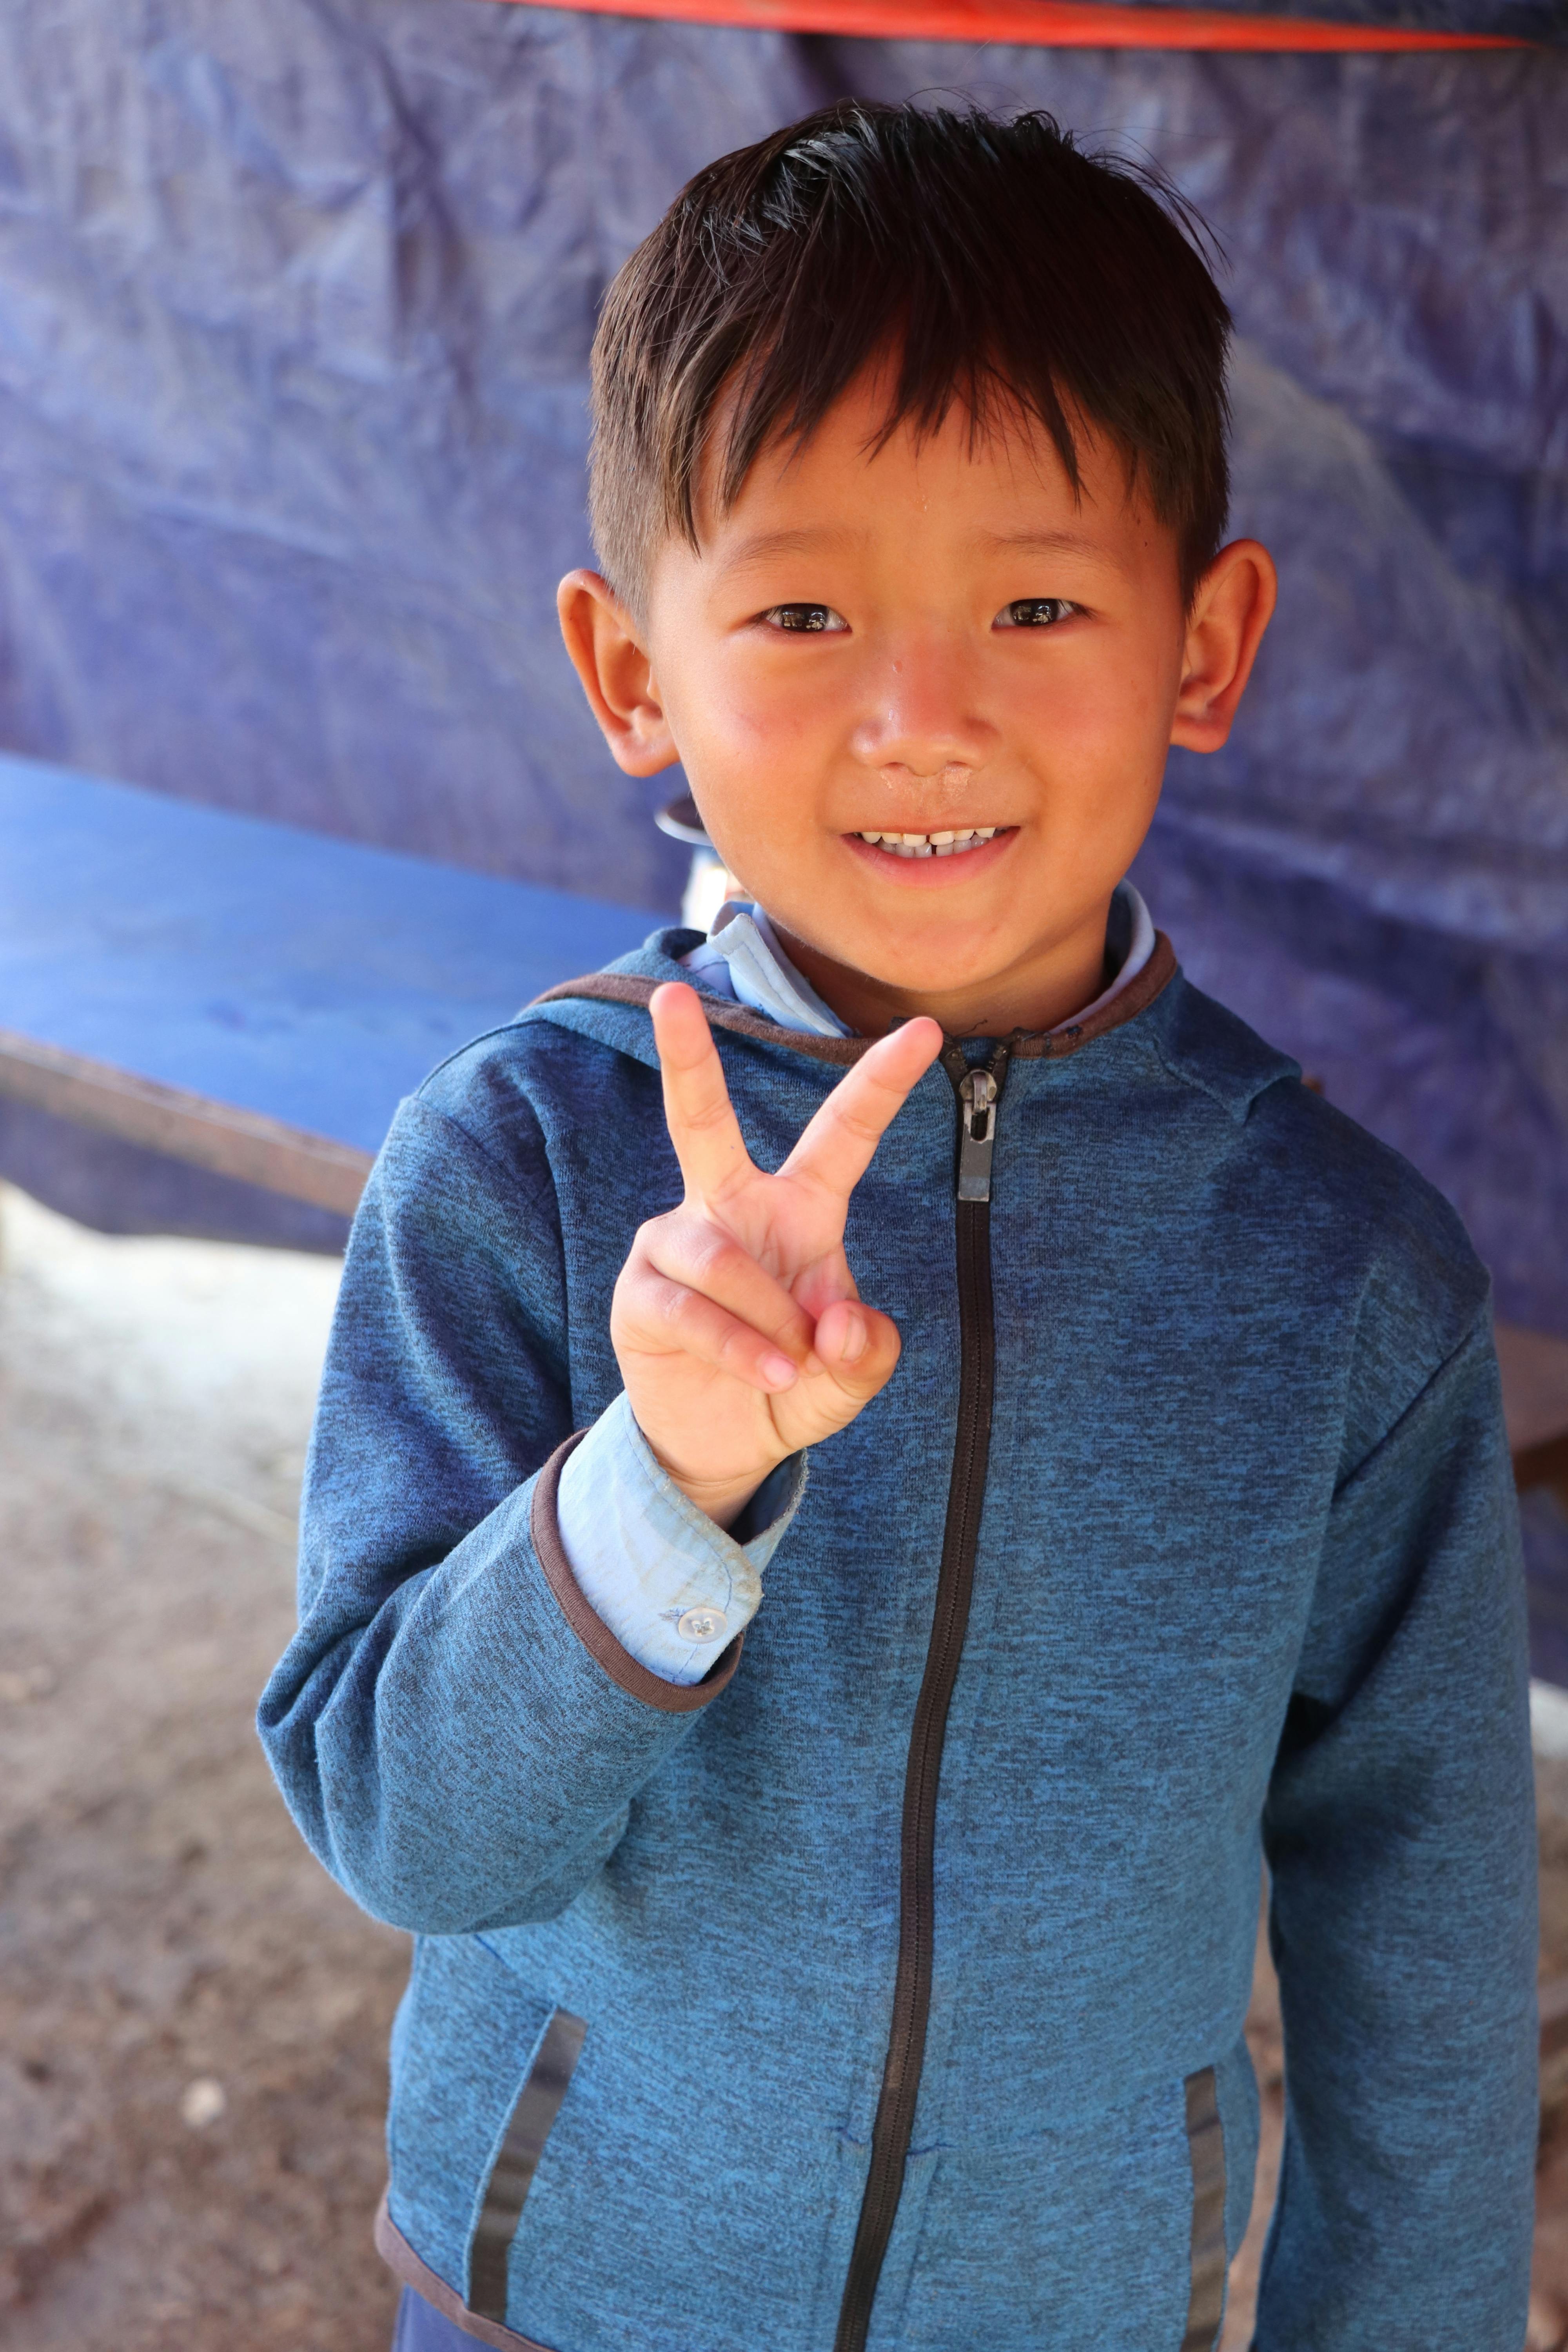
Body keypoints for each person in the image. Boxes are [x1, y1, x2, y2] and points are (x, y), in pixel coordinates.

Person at [258, 101, 1536, 2352]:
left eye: (1037, 601)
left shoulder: (1344, 1280)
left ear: (1205, 643)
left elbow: (1419, 1943)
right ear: (633, 669)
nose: (920, 715)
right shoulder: (524, 1165)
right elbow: (405, 1829)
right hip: (563, 2307)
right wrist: (661, 1490)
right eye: (805, 607)